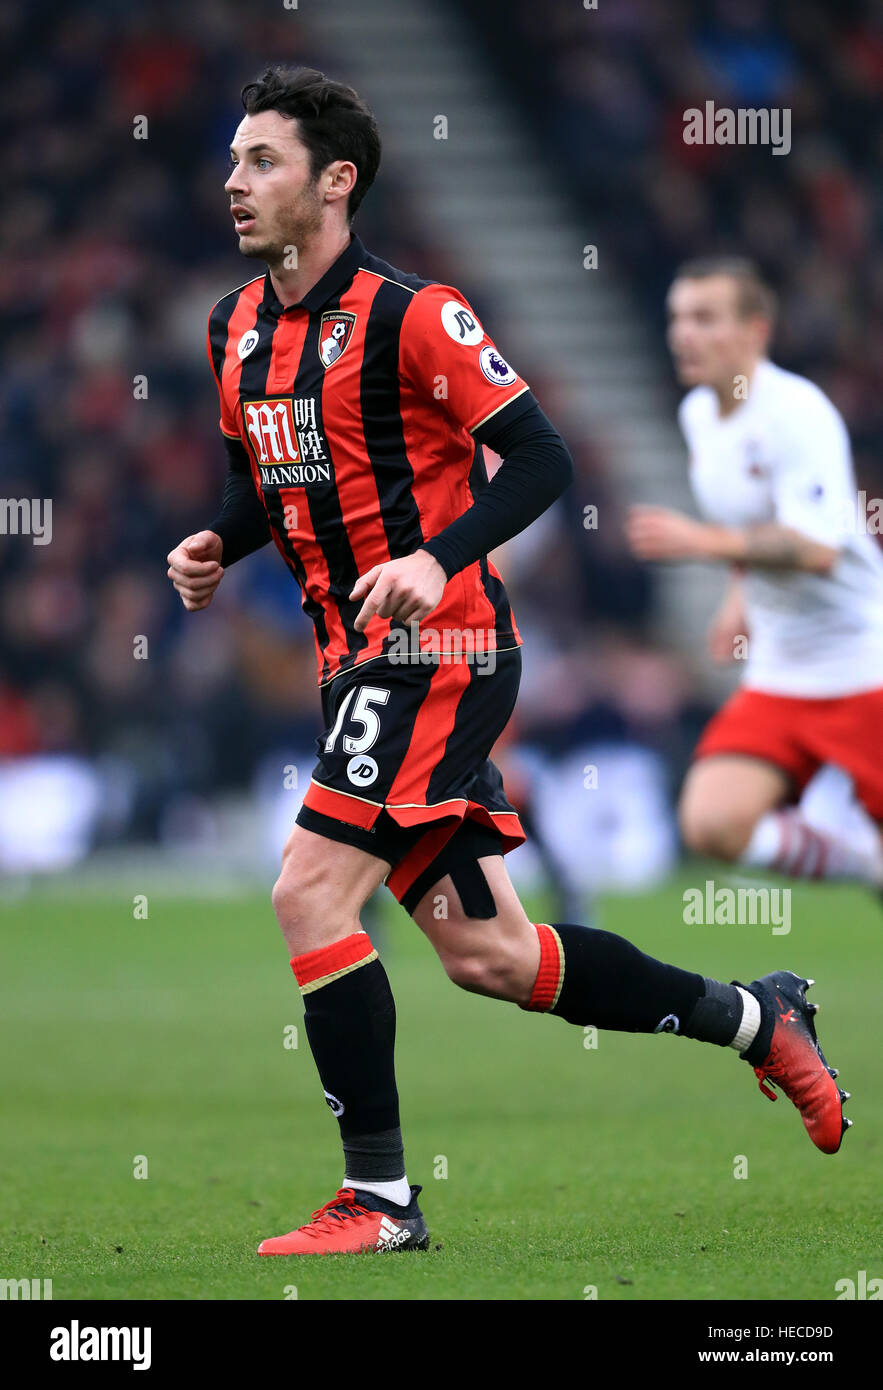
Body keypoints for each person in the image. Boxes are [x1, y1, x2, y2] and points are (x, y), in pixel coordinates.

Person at [168, 74, 849, 1257]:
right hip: (354, 659)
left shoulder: (415, 314)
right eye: (235, 159)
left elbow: (540, 458)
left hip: (440, 645)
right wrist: (218, 543)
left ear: (337, 182)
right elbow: (264, 481)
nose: (235, 180)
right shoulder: (234, 328)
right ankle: (759, 1018)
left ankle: (378, 1201)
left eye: (264, 160)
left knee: (308, 891)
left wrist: (435, 559)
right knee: (493, 956)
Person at [628, 257, 883, 889]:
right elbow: (758, 525)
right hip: (783, 670)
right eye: (678, 318)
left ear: (755, 330)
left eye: (705, 318)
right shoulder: (698, 417)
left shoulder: (796, 412)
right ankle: (866, 863)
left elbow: (818, 548)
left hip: (861, 663)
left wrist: (702, 542)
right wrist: (738, 597)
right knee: (711, 822)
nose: (684, 334)